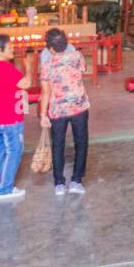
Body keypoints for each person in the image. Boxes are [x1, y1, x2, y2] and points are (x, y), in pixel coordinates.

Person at [39, 27, 90, 195]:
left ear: (50, 48)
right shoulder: (77, 56)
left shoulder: (47, 64)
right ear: (66, 44)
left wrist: (43, 114)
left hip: (57, 110)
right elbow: (83, 70)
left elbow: (45, 92)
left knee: (58, 145)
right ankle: (76, 180)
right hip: (78, 107)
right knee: (81, 143)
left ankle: (59, 183)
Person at [0, 33, 31, 201]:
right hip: (9, 118)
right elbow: (26, 84)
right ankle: (5, 189)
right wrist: (29, 67)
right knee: (14, 151)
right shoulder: (4, 67)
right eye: (9, 48)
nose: (13, 50)